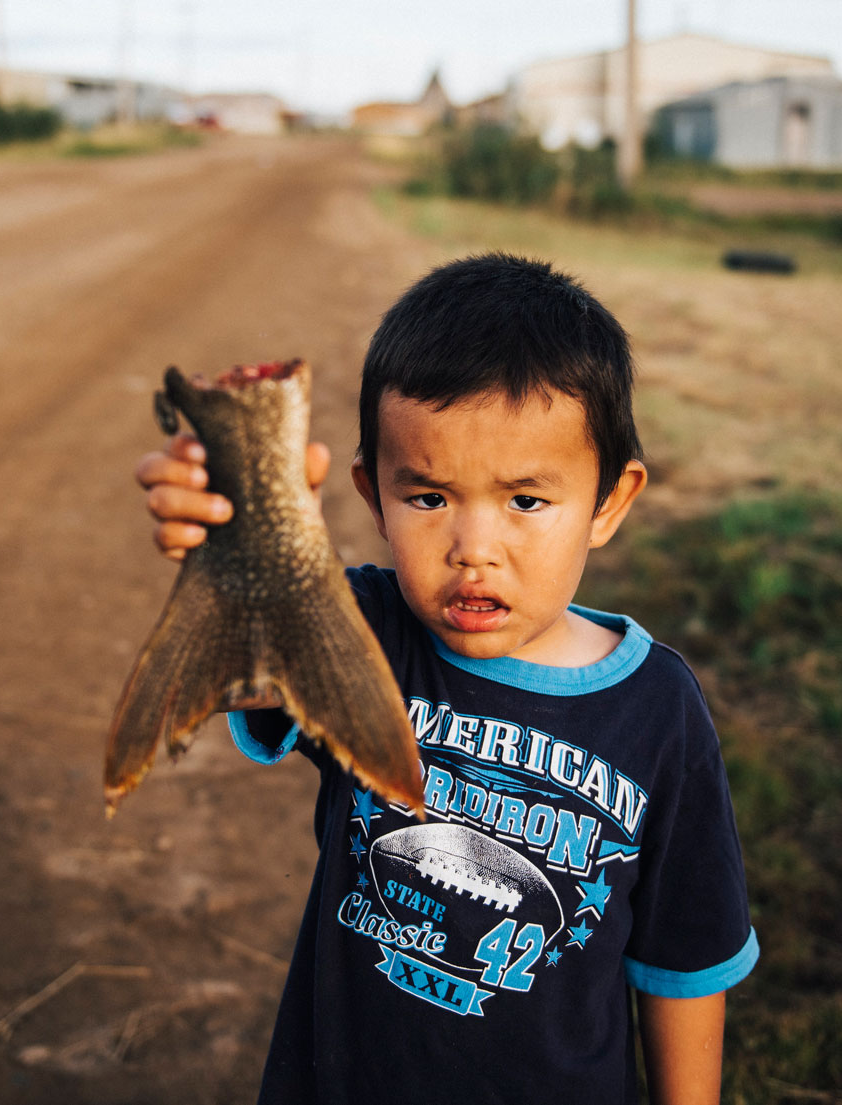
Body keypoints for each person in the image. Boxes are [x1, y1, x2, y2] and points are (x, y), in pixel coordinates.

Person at [136, 253, 757, 1105]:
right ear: (373, 495)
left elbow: (682, 962)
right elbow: (258, 666)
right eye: (428, 497)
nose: (473, 547)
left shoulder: (659, 712)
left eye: (526, 502)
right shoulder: (369, 628)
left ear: (610, 503)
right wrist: (233, 529)